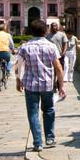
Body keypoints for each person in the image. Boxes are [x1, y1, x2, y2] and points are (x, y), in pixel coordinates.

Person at [16, 19, 65, 152]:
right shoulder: (51, 46)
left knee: (33, 113)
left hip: (30, 85)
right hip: (47, 84)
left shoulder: (24, 47)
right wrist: (61, 85)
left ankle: (38, 143)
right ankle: (50, 138)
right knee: (48, 110)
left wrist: (18, 81)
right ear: (46, 31)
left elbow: (18, 66)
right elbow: (59, 68)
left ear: (31, 32)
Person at [0, 24, 16, 90]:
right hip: (6, 52)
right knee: (9, 61)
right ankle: (8, 71)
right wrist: (13, 50)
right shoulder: (8, 35)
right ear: (4, 29)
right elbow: (11, 43)